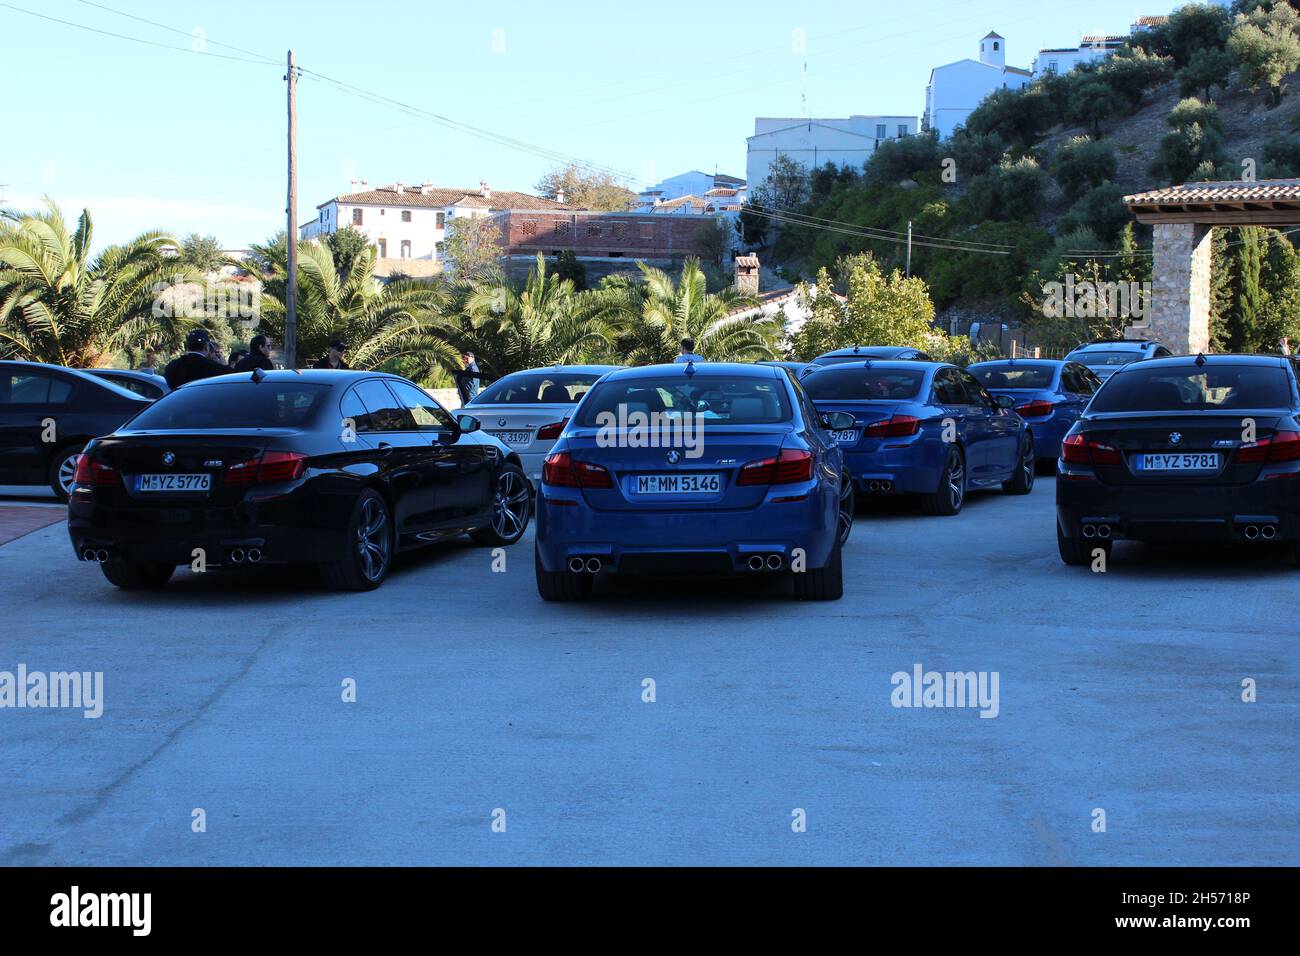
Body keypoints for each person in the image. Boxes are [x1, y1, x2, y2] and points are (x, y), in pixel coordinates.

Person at [163, 329, 231, 389]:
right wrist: (224, 366)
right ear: (206, 347)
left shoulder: (172, 367)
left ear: (188, 347)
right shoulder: (213, 367)